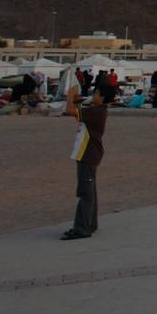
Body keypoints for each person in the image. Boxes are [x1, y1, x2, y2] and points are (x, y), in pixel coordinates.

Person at [62, 81, 113, 240]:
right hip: (87, 154)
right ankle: (89, 224)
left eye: (96, 93)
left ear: (102, 97)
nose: (93, 95)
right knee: (90, 192)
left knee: (85, 193)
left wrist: (70, 96)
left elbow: (69, 111)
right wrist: (76, 101)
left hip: (87, 155)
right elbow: (77, 112)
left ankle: (82, 228)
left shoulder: (97, 112)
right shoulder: (96, 110)